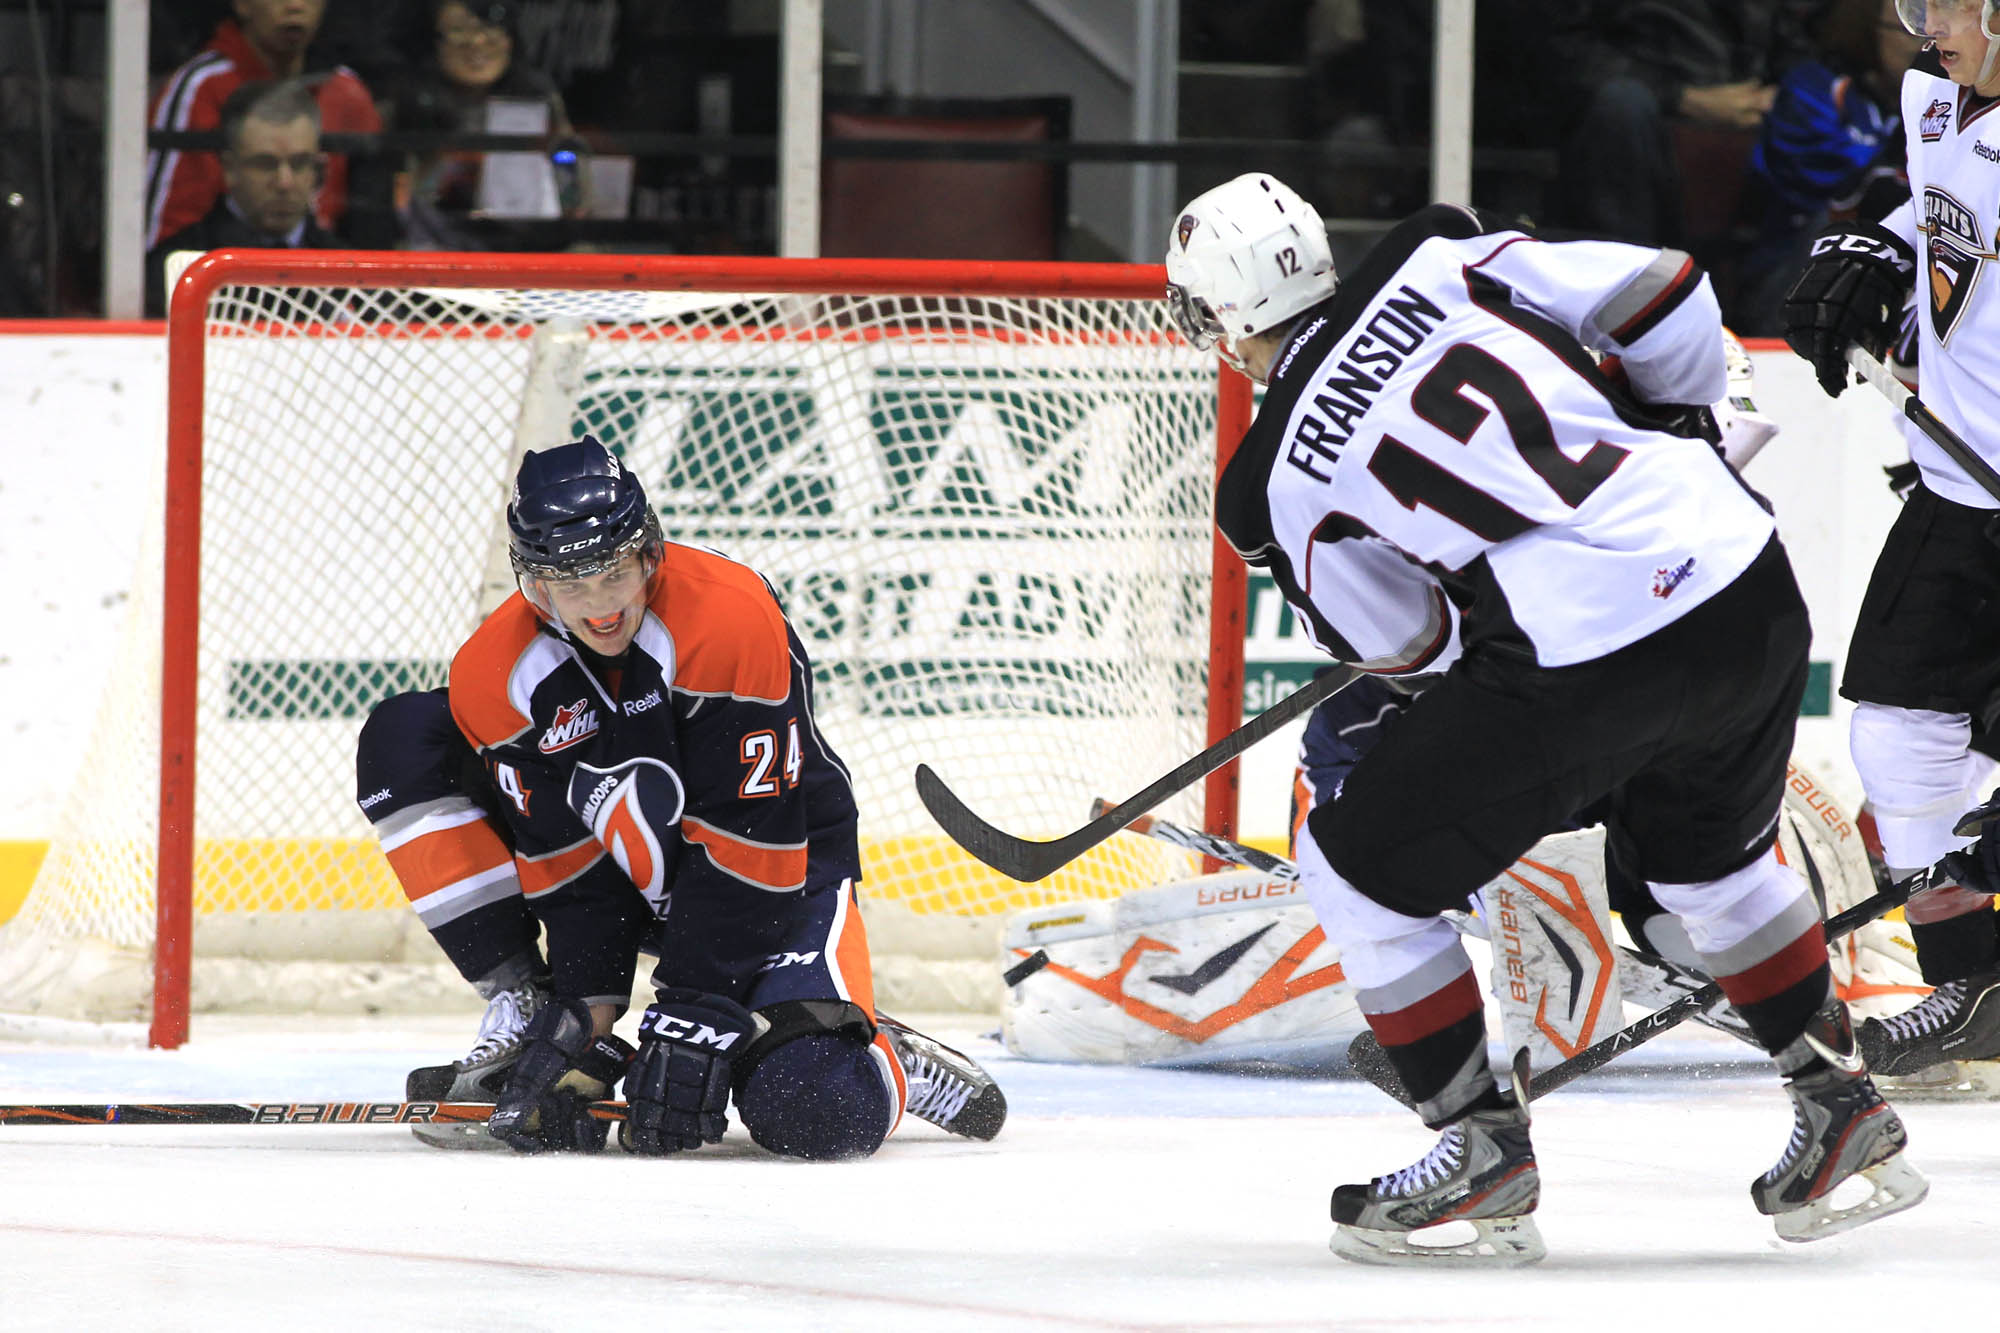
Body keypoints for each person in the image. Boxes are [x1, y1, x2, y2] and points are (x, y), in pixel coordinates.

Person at [1166, 172, 1926, 1265]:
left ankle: (1478, 1151)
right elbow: (1664, 291)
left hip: (1590, 657)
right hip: (1740, 575)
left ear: (1222, 318)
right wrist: (1673, 430)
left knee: (1351, 868)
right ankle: (1839, 1104)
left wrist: (1474, 605)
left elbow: (1406, 647)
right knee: (1707, 864)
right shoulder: (1435, 260)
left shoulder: (1273, 482)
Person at [355, 436, 1006, 1157]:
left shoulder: (728, 615)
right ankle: (528, 1007)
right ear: (534, 584)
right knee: (406, 735)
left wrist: (691, 1013)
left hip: (784, 878)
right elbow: (570, 871)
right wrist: (583, 1022)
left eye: (612, 574)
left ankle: (874, 1045)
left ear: (648, 552)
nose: (600, 607)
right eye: (571, 585)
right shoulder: (496, 673)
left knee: (816, 1106)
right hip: (644, 884)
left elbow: (757, 839)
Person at [1780, 0, 2000, 1081]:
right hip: (1961, 484)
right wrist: (1875, 242)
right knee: (1899, 737)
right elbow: (1935, 206)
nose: (1923, 30)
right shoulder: (1928, 96)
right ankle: (1974, 982)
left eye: (1945, 8)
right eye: (1911, 8)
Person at [1543, 0, 1820, 246]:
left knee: (1829, 127)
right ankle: (1630, 283)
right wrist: (1682, 97)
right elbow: (1567, 50)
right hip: (1648, 112)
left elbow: (1793, 50)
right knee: (1621, 105)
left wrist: (1784, 93)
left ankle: (1788, 301)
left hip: (1748, 112)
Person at [1736, 0, 1924, 333]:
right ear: (1870, 30)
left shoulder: (1959, 106)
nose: (1928, 43)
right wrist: (1909, 144)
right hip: (1797, 263)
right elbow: (1838, 190)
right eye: (1913, 28)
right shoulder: (1814, 88)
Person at [145, 0, 390, 249]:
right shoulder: (200, 87)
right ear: (242, 4)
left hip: (324, 277)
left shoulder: (347, 92)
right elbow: (164, 242)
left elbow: (374, 232)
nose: (296, 5)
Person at [383, 0, 584, 251]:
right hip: (436, 245)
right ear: (434, 42)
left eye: (490, 28)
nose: (477, 41)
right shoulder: (410, 100)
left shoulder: (536, 95)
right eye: (459, 30)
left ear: (510, 39)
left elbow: (572, 183)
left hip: (528, 244)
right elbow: (403, 194)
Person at [144, 80, 339, 318]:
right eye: (265, 164)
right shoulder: (173, 271)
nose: (284, 182)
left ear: (318, 168)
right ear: (229, 168)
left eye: (299, 164)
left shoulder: (353, 273)